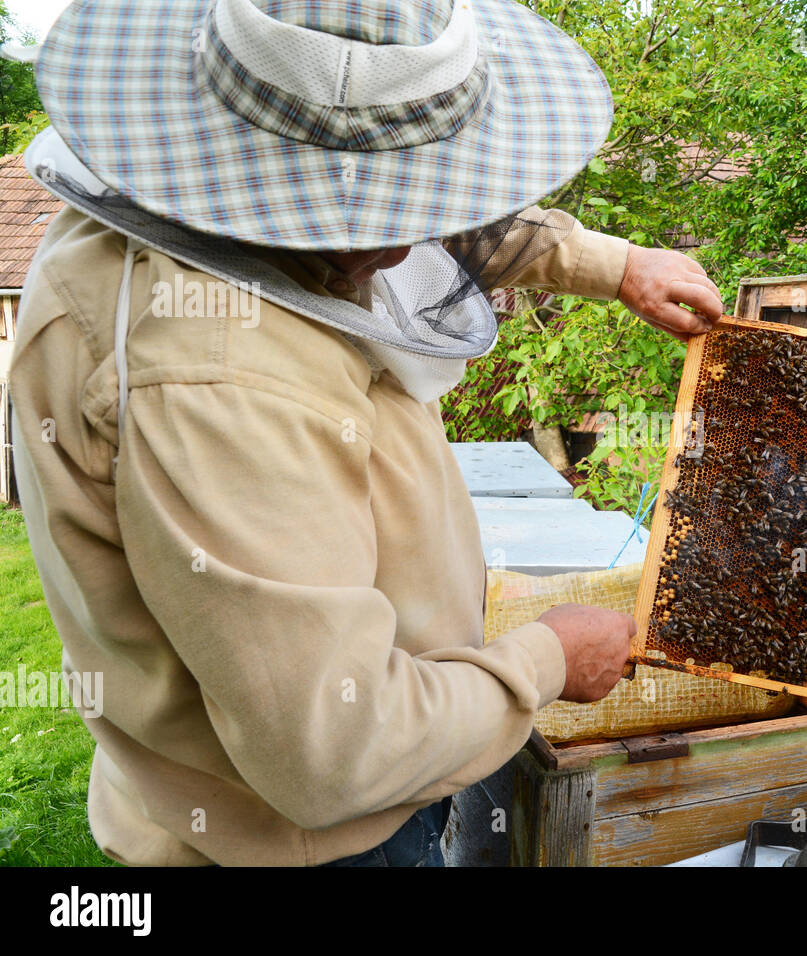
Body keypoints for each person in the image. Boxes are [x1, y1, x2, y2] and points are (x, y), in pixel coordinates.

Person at [6, 0, 723, 866]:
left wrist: (611, 264)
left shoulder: (222, 169)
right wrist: (547, 661)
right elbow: (335, 753)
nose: (400, 246)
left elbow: (430, 197)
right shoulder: (216, 380)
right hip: (298, 841)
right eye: (377, 213)